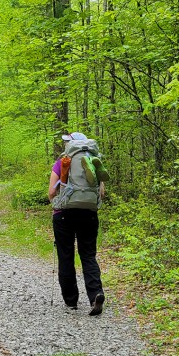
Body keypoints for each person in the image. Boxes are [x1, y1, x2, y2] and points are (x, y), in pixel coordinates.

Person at [48, 132, 105, 316]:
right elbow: (101, 193)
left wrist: (57, 200)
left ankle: (71, 301)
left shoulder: (62, 162)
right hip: (89, 214)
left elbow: (51, 192)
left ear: (72, 145)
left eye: (67, 142)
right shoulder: (94, 161)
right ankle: (96, 294)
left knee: (66, 256)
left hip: (63, 214)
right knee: (88, 255)